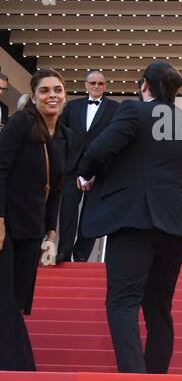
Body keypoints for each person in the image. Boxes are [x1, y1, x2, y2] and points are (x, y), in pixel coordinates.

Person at [74, 60, 182, 374]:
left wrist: (86, 175)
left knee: (122, 303)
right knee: (159, 311)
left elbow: (96, 151)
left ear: (145, 86)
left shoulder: (132, 111)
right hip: (176, 229)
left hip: (134, 223)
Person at [0, 69, 65, 371]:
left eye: (58, 89)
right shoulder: (20, 124)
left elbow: (56, 188)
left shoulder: (63, 135)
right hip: (8, 226)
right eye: (45, 90)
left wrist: (51, 231)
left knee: (16, 299)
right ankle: (18, 367)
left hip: (32, 228)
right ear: (35, 95)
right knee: (7, 300)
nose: (52, 95)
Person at [55, 69, 117, 263]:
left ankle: (81, 255)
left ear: (105, 86)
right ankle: (63, 253)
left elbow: (115, 142)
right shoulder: (72, 107)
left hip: (99, 172)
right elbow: (60, 137)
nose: (97, 86)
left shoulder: (115, 109)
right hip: (71, 170)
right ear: (86, 85)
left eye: (100, 83)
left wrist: (94, 172)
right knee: (67, 213)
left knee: (90, 216)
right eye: (93, 83)